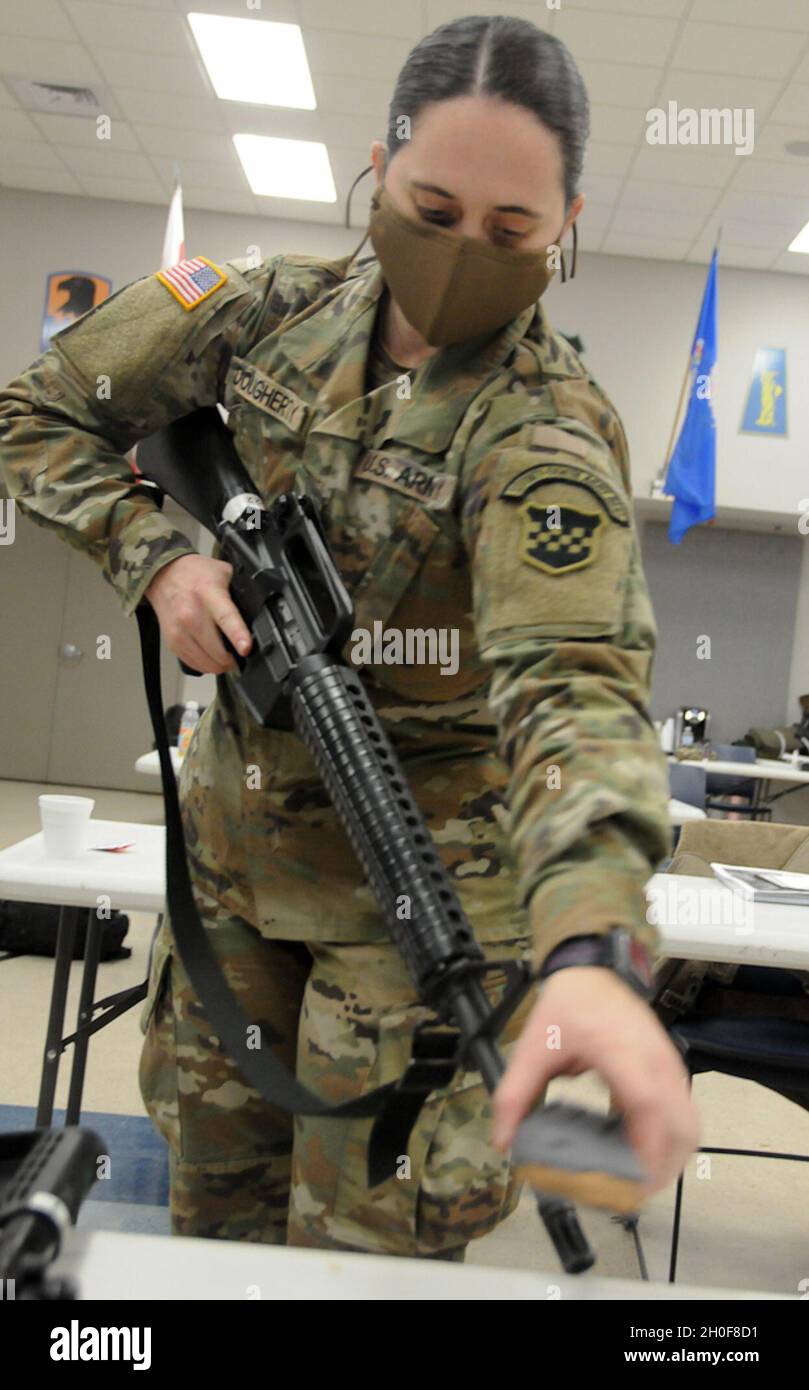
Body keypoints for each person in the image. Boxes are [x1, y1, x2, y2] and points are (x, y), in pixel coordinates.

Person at [0, 14, 699, 1260]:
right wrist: (155, 559)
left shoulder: (543, 428)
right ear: (374, 171)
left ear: (567, 224)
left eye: (510, 234)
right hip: (228, 892)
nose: (460, 257)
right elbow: (38, 412)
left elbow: (575, 686)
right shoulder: (263, 309)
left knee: (358, 1264)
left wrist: (588, 939)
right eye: (430, 208)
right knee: (205, 1241)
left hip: (411, 921)